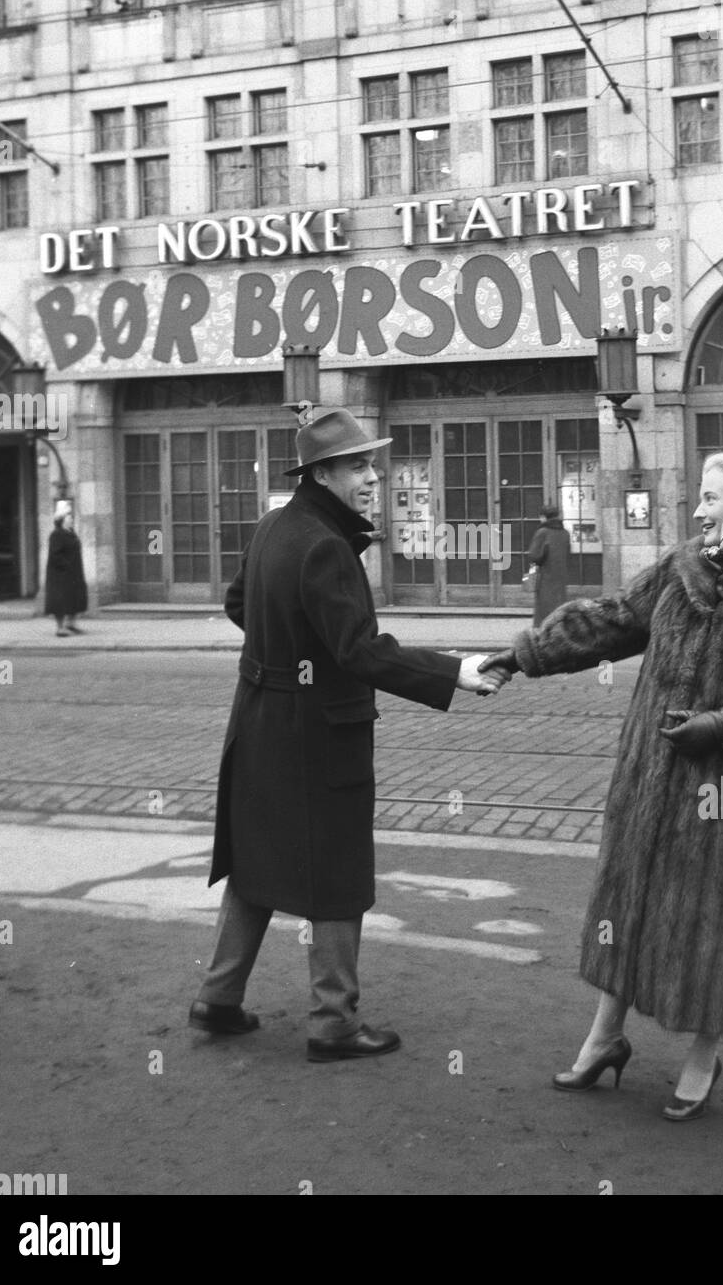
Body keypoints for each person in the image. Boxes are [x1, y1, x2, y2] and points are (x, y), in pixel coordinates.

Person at [482, 453, 723, 1119]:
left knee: (718, 924)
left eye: (711, 499)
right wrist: (524, 654)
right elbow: (612, 620)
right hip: (651, 786)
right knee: (632, 906)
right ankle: (603, 1037)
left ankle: (703, 1055)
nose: (699, 511)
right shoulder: (682, 572)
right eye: (699, 498)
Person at [190, 409, 508, 1062]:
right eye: (359, 465)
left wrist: (283, 653)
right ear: (323, 473)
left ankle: (217, 1000)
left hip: (256, 722)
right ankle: (332, 1022)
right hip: (318, 734)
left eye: (371, 463)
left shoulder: (275, 526)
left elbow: (237, 605)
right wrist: (456, 671)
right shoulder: (326, 545)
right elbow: (359, 651)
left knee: (256, 861)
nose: (373, 475)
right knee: (335, 870)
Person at [44, 502, 88, 637]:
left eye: (71, 516)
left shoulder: (71, 533)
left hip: (73, 573)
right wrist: (67, 565)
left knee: (74, 598)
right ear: (62, 519)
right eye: (69, 517)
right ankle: (60, 627)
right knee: (61, 601)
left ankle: (71, 623)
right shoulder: (57, 535)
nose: (71, 519)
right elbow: (55, 555)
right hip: (60, 575)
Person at [525, 503, 571, 627]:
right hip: (561, 575)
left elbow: (534, 555)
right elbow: (568, 553)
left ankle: (543, 633)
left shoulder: (542, 532)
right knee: (559, 605)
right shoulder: (565, 533)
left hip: (545, 575)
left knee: (543, 608)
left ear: (544, 517)